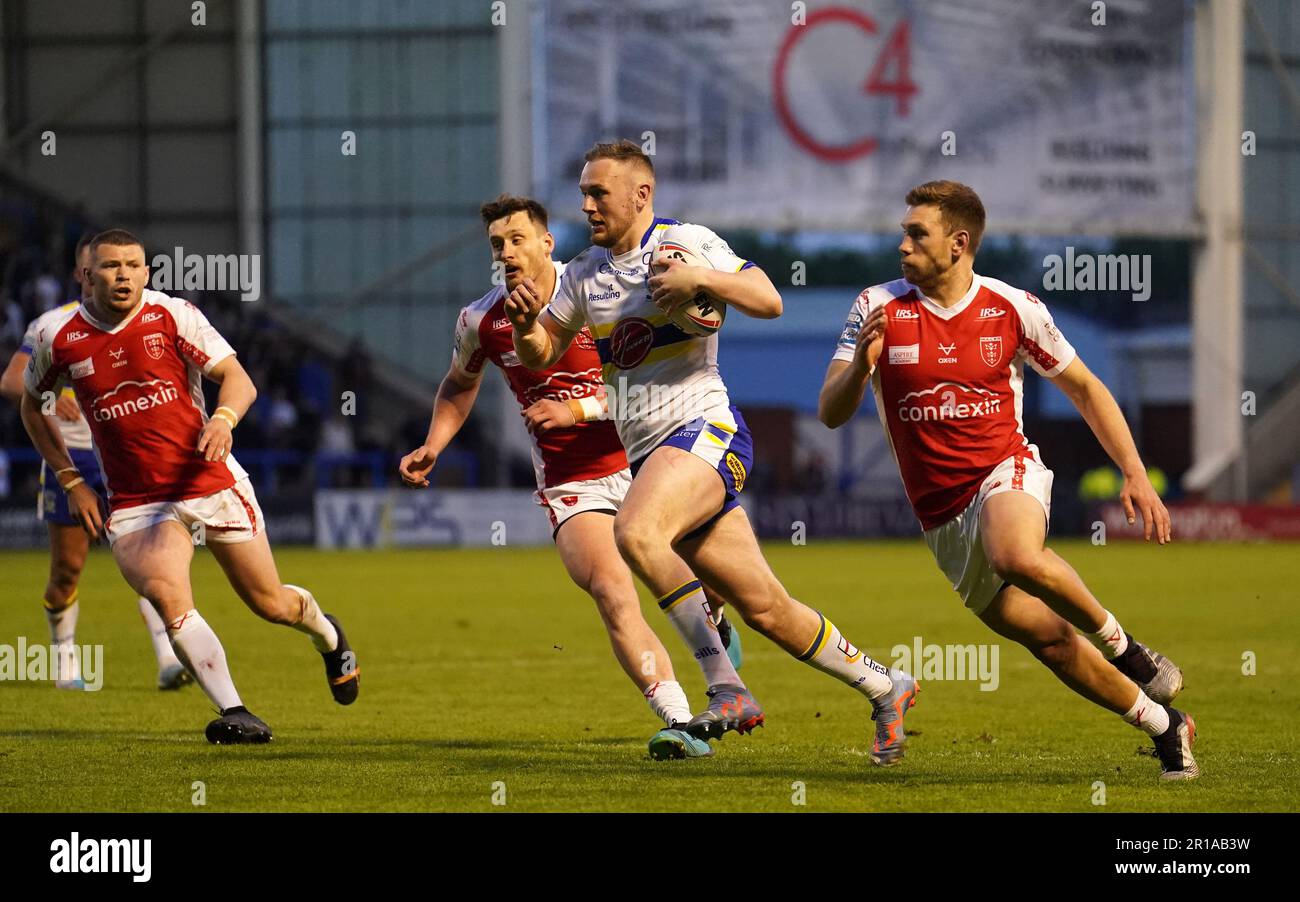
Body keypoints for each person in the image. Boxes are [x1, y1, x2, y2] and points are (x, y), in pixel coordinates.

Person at [509, 140, 919, 766]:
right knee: (766, 609)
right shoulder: (585, 275)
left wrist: (699, 278)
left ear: (641, 195)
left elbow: (768, 299)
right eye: (584, 193)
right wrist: (521, 322)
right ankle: (886, 686)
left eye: (600, 193)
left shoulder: (686, 242)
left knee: (637, 533)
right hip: (654, 457)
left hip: (706, 431)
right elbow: (542, 352)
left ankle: (726, 689)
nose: (587, 204)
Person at [817, 180, 1197, 780]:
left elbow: (1085, 387)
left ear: (959, 243)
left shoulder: (1012, 308)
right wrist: (859, 372)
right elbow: (830, 413)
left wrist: (1134, 472)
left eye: (918, 233)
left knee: (1016, 552)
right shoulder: (876, 308)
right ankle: (1163, 724)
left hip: (1006, 470)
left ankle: (1126, 649)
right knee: (1050, 643)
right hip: (939, 516)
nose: (903, 244)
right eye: (903, 232)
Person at [399, 194, 742, 760]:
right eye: (496, 245)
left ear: (546, 243)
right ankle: (681, 720)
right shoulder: (480, 320)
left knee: (715, 579)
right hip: (570, 483)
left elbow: (650, 386)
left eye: (516, 240)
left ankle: (714, 615)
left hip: (650, 460)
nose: (506, 253)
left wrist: (575, 410)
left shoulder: (598, 292)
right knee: (613, 592)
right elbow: (459, 386)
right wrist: (433, 443)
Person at [20, 229, 360, 743]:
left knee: (270, 604)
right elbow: (31, 404)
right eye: (111, 266)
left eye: (134, 265)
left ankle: (330, 637)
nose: (124, 275)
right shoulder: (58, 338)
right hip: (137, 503)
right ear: (87, 276)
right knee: (167, 595)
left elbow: (238, 377)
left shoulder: (172, 315)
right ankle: (236, 711)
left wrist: (223, 419)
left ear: (147, 272)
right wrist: (71, 480)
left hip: (209, 480)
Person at [0, 233, 190, 691]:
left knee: (153, 564)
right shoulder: (53, 326)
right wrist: (51, 396)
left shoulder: (150, 319)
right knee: (67, 569)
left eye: (123, 265)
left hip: (131, 460)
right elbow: (12, 382)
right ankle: (64, 662)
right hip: (76, 459)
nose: (113, 275)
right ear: (81, 273)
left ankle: (169, 659)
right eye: (101, 266)